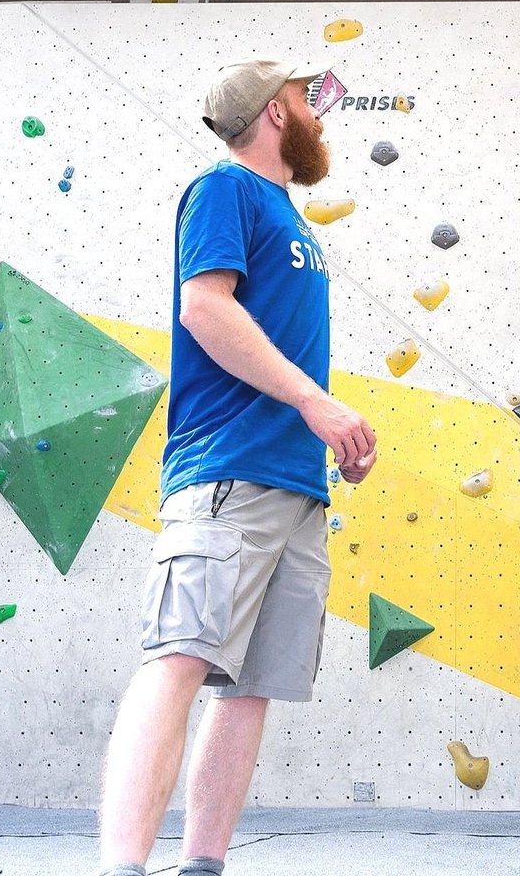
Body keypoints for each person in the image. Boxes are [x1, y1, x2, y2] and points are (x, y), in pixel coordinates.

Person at [96, 59, 377, 876]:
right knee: (180, 659)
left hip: (294, 486)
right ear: (278, 113)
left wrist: (324, 435)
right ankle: (121, 869)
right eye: (304, 101)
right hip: (226, 472)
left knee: (248, 686)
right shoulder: (225, 187)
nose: (318, 114)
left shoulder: (293, 219)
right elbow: (205, 307)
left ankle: (203, 866)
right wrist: (319, 406)